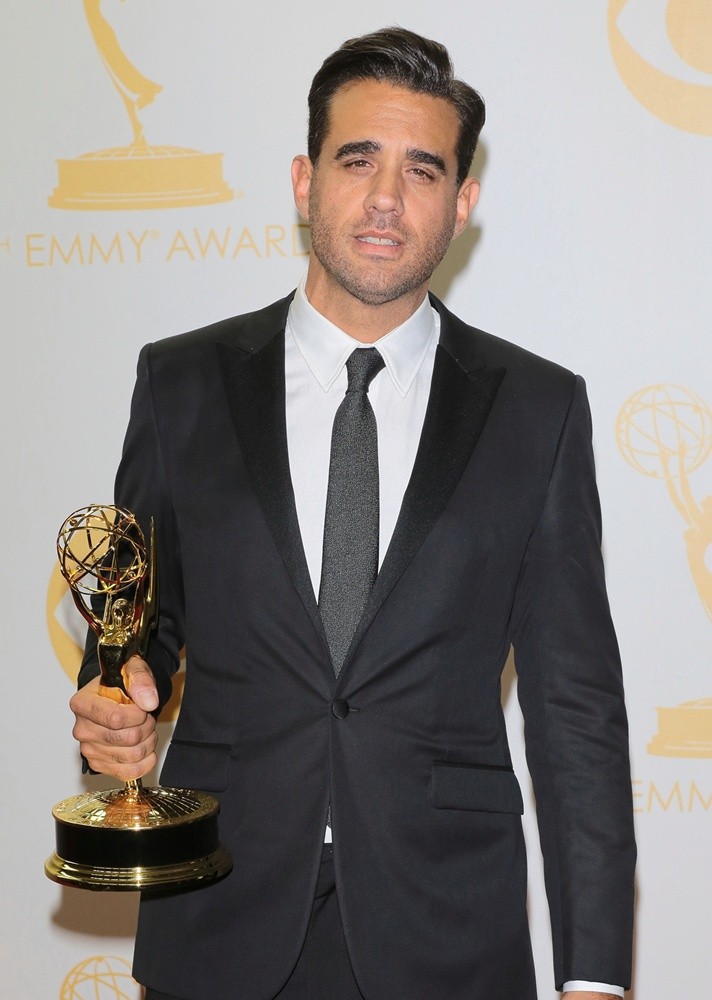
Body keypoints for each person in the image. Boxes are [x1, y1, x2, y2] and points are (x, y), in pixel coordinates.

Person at [71, 27, 636, 1000]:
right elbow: (137, 621)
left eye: (422, 170)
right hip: (218, 917)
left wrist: (595, 979)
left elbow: (574, 709)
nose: (385, 198)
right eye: (357, 160)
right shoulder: (182, 383)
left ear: (461, 204)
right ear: (304, 182)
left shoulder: (536, 410)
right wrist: (115, 700)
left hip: (446, 935)